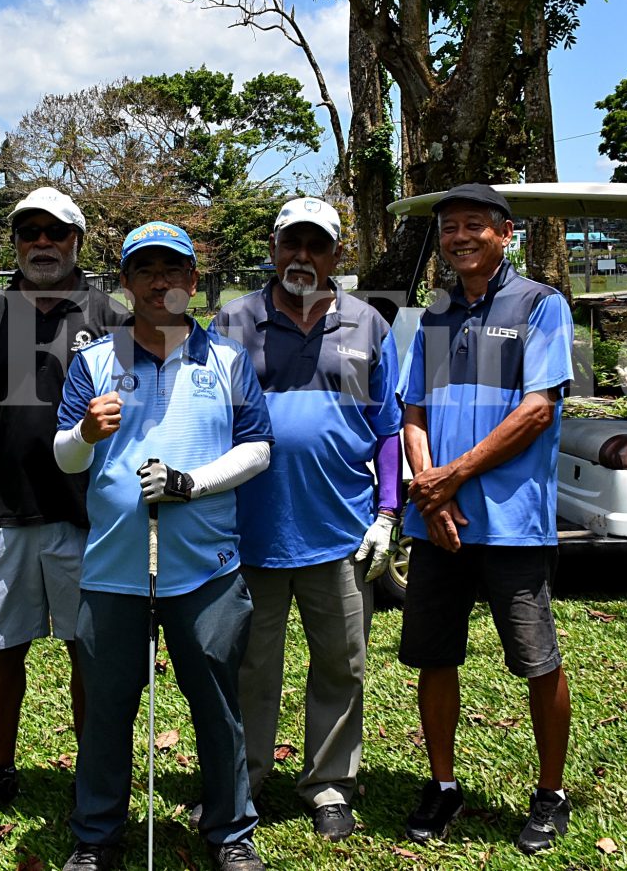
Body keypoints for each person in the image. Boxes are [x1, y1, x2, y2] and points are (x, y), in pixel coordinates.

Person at [52, 222, 275, 871]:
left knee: (216, 705)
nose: (160, 282)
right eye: (145, 270)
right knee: (108, 708)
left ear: (193, 281)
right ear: (126, 282)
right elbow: (65, 457)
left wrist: (191, 483)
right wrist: (87, 431)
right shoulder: (95, 361)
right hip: (116, 569)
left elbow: (258, 447)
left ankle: (232, 831)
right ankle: (96, 835)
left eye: (173, 270)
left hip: (205, 569)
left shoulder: (226, 360)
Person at [209, 196, 401, 842]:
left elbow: (390, 430)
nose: (302, 256)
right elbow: (207, 418)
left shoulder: (368, 323)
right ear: (272, 247)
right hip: (250, 531)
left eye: (317, 245)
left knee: (341, 663)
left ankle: (329, 783)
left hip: (341, 531)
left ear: (336, 255)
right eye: (292, 242)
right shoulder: (234, 319)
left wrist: (388, 511)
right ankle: (247, 777)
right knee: (251, 667)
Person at [0, 186, 129, 826]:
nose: (42, 244)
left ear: (78, 241)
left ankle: (93, 771)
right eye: (29, 233)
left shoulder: (112, 318)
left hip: (90, 516)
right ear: (15, 242)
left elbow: (142, 416)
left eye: (56, 233)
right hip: (6, 514)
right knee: (4, 648)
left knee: (87, 651)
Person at [395, 183, 575, 855]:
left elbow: (537, 411)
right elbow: (412, 410)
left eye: (474, 225)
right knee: (434, 658)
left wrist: (452, 477)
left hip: (511, 522)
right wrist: (432, 492)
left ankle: (549, 793)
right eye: (449, 227)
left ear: (506, 233)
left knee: (536, 660)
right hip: (440, 523)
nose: (459, 236)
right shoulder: (437, 314)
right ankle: (442, 784)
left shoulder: (539, 305)